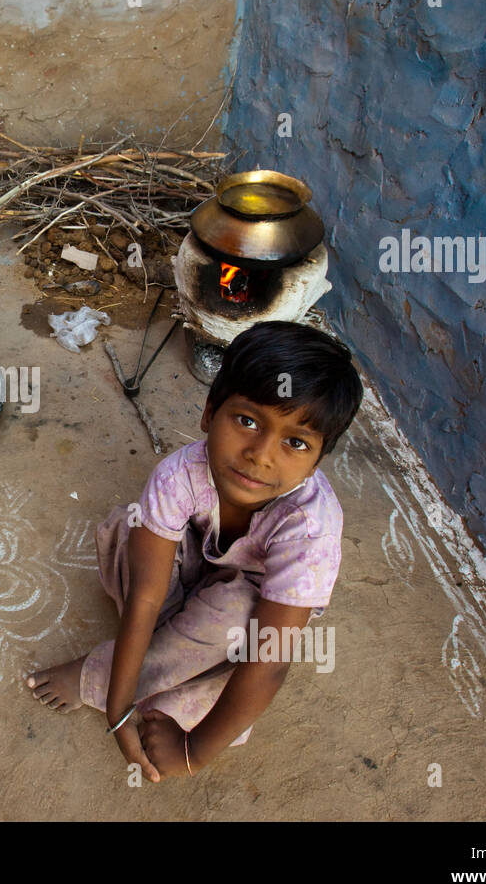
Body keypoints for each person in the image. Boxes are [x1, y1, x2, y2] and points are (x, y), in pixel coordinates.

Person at [26, 321, 364, 781]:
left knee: (233, 620)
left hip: (249, 601)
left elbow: (270, 660)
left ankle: (103, 670)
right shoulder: (179, 473)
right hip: (195, 561)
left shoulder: (310, 528)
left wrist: (193, 752)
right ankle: (160, 661)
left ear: (317, 461)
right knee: (126, 530)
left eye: (295, 443)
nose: (261, 455)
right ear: (208, 413)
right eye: (246, 421)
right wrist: (118, 708)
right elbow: (145, 594)